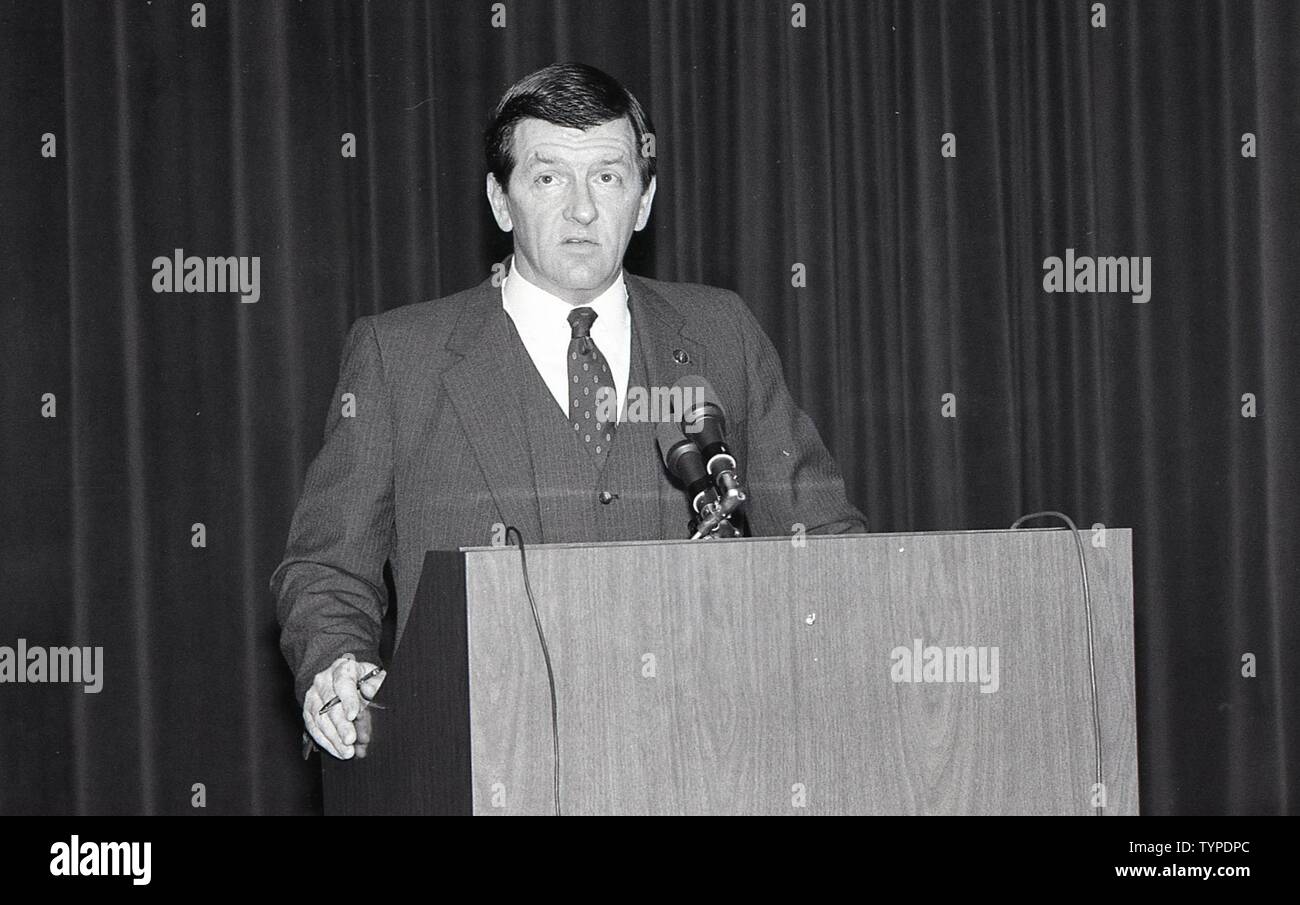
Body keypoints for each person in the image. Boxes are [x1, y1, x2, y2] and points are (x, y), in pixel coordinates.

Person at [272, 62, 866, 760]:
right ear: (501, 201)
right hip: (478, 761)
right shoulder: (399, 357)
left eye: (608, 177)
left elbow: (824, 538)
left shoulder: (720, 333)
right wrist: (335, 664)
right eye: (549, 176)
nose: (582, 209)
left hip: (705, 760)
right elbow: (328, 567)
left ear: (642, 203)